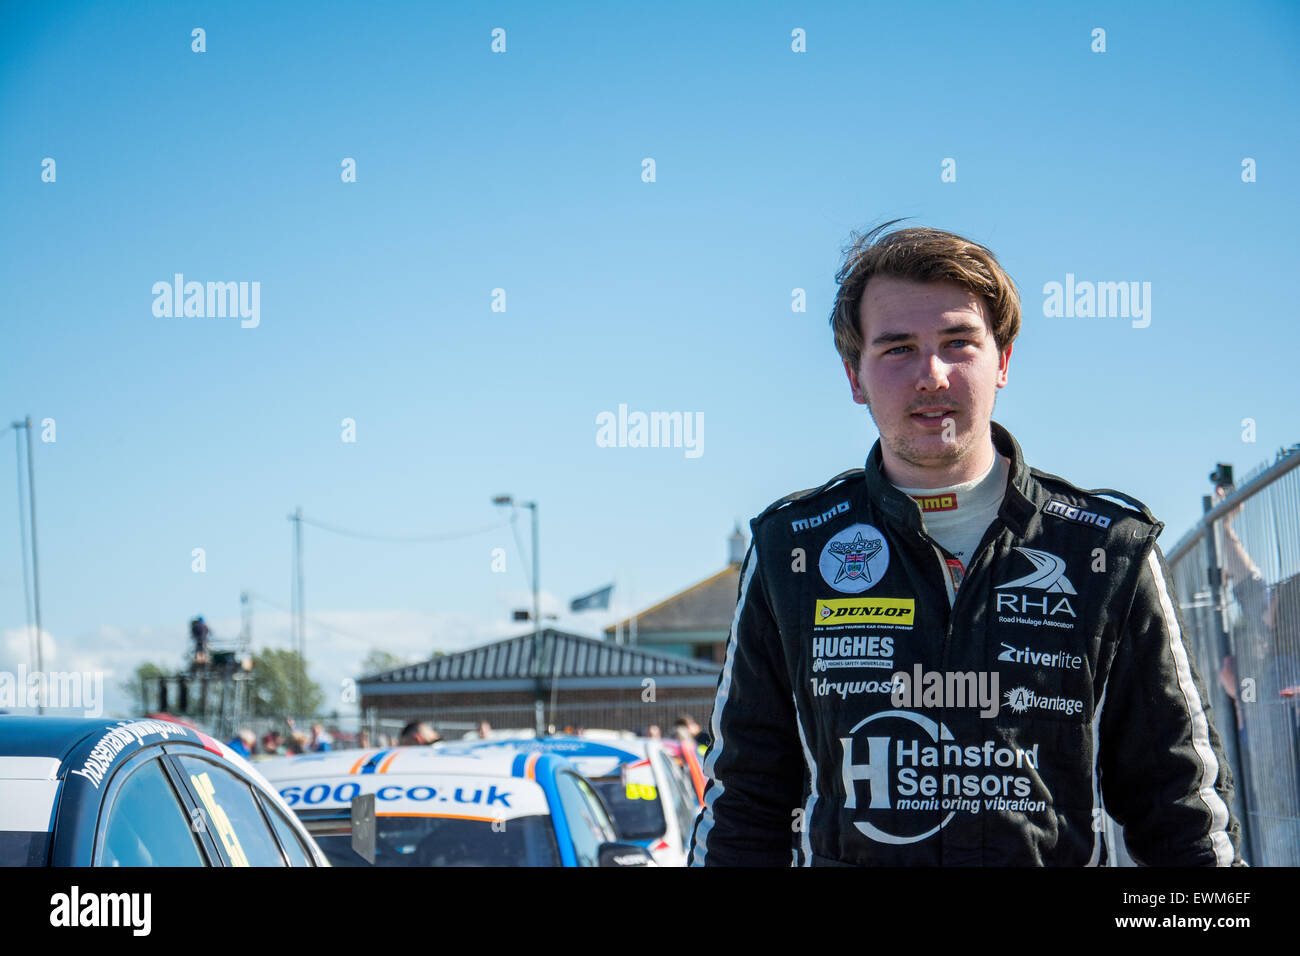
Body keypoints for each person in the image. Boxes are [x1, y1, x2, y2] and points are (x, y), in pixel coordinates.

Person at [688, 222, 1243, 867]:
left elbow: (1182, 813)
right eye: (897, 349)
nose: (931, 375)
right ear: (854, 375)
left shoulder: (1106, 552)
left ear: (1002, 360)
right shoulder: (794, 550)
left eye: (959, 343)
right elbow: (745, 805)